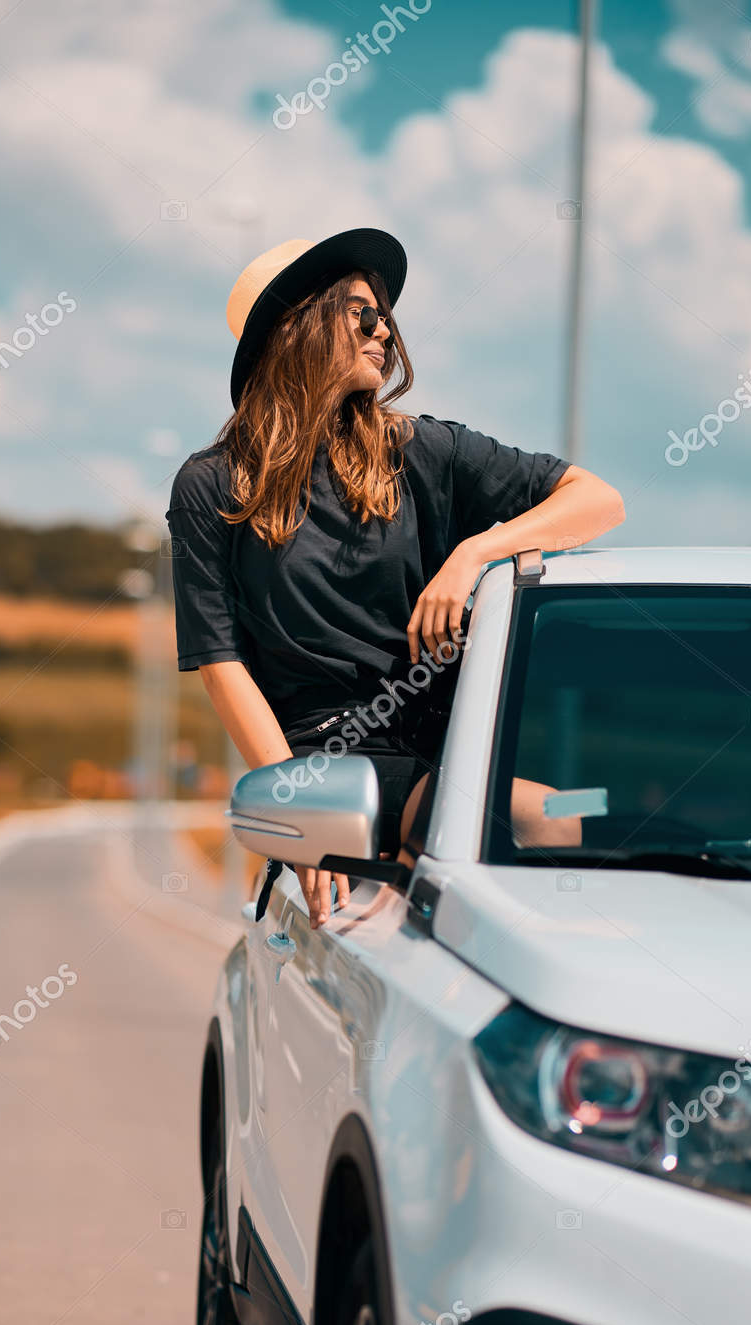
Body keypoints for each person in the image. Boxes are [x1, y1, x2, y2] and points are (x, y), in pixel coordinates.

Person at [166, 228, 625, 929]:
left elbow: (597, 500)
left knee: (601, 809)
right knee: (552, 822)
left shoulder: (421, 450)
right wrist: (296, 809)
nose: (386, 330)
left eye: (386, 316)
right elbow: (221, 663)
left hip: (455, 749)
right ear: (299, 327)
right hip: (335, 767)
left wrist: (476, 552)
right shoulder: (214, 484)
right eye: (363, 312)